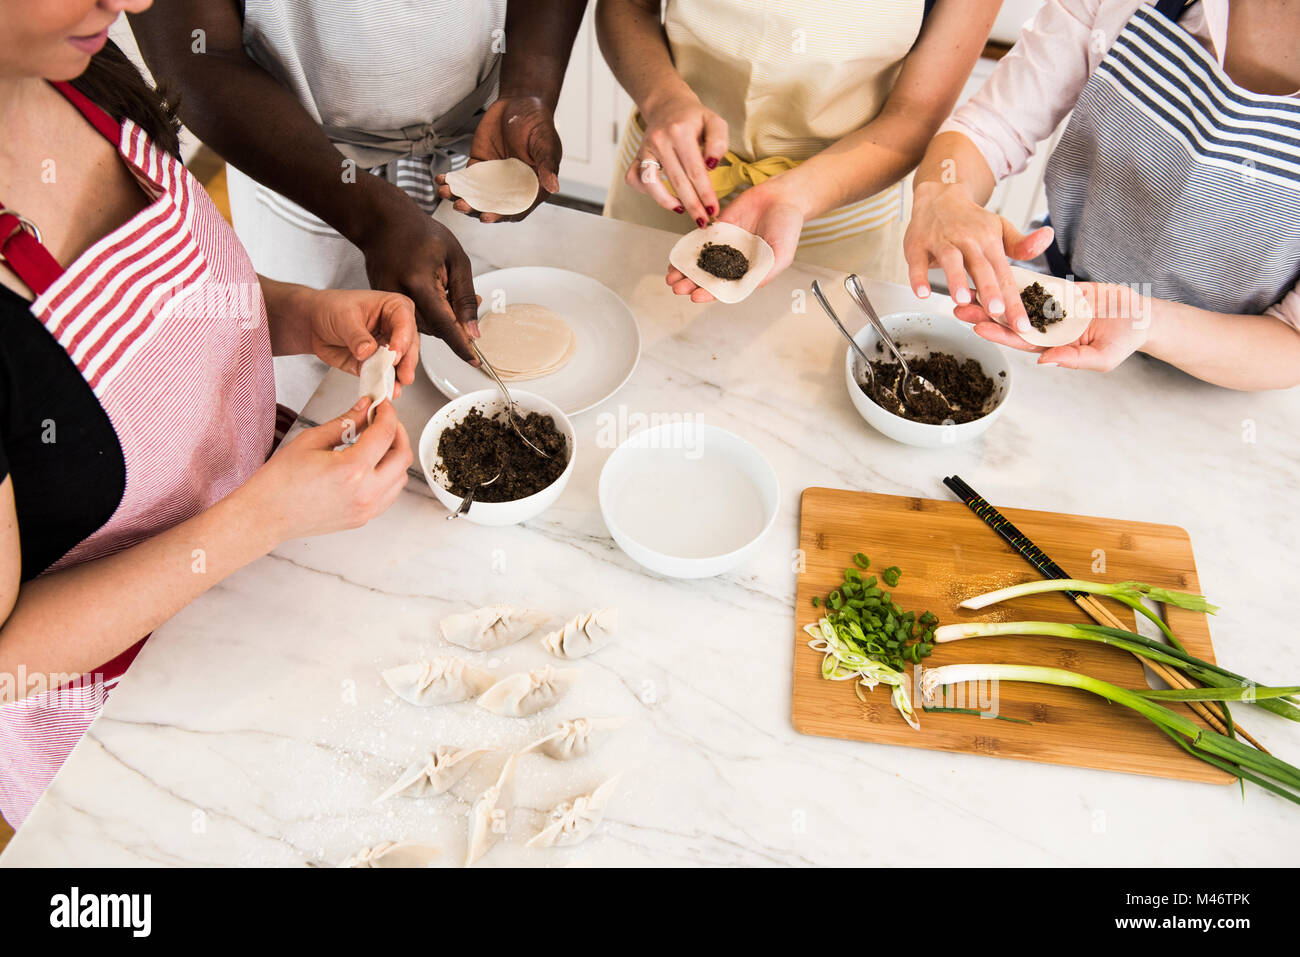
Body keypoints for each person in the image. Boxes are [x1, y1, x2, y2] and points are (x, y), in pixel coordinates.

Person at [0, 0, 417, 827]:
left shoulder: (87, 76)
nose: (136, 2)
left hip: (272, 589)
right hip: (130, 729)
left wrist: (297, 314)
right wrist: (260, 518)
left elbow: (141, 305)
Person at [131, 0, 588, 392]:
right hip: (302, 169)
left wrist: (530, 88)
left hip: (481, 151)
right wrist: (373, 219)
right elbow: (197, 54)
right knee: (333, 385)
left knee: (509, 354)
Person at [905, 0, 1300, 391]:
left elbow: (1293, 338)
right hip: (1055, 327)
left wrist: (1143, 321)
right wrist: (944, 192)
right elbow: (990, 128)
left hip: (1226, 385)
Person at [596, 0, 1002, 299]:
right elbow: (627, 7)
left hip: (841, 218)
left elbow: (914, 115)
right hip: (666, 184)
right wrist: (662, 99)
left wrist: (793, 197)